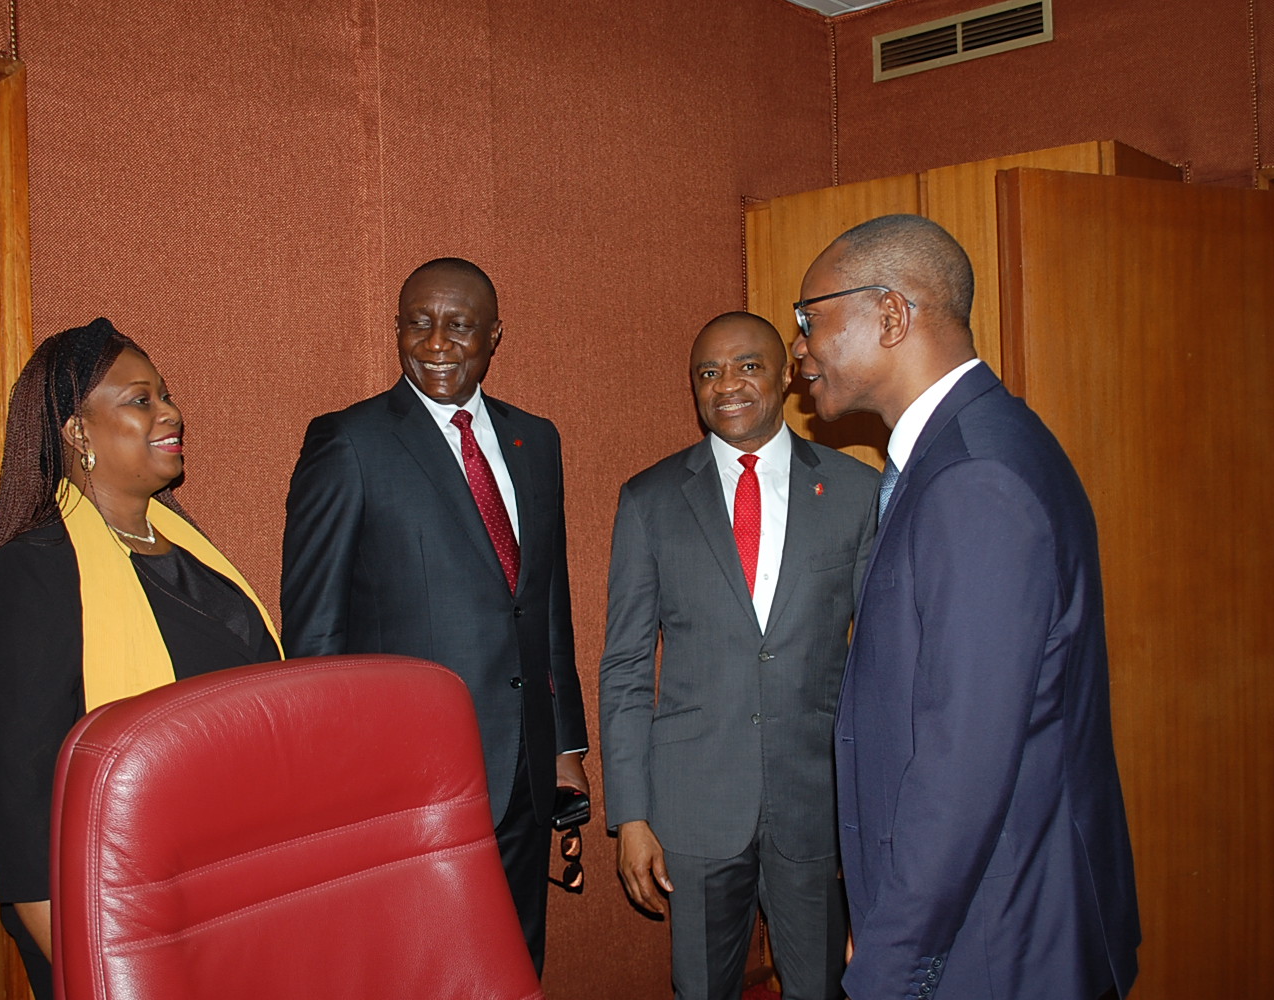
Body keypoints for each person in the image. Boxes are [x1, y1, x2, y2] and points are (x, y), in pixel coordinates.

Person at [791, 215, 1140, 1000]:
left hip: (995, 933)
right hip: (976, 912)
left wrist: (891, 962)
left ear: (890, 314)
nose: (800, 349)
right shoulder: (971, 445)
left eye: (810, 319)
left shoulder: (976, 478)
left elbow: (962, 766)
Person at [280, 257, 589, 974]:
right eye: (418, 324)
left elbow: (547, 602)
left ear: (494, 336)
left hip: (525, 771)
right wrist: (334, 778)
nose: (436, 343)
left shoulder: (535, 441)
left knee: (514, 957)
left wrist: (565, 743)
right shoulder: (348, 442)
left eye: (458, 326)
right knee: (421, 962)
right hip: (405, 774)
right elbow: (316, 630)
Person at [0, 318, 283, 999]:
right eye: (141, 399)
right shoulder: (36, 574)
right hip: (120, 934)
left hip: (240, 907)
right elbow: (22, 828)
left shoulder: (196, 557)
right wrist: (99, 980)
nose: (171, 412)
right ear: (78, 434)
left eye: (165, 395)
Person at [598, 311, 878, 1000]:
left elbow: (879, 663)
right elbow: (627, 668)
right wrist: (631, 816)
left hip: (817, 804)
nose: (727, 384)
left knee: (822, 988)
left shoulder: (855, 493)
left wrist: (876, 808)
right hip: (693, 810)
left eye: (748, 365)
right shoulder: (649, 500)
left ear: (787, 374)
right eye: (708, 372)